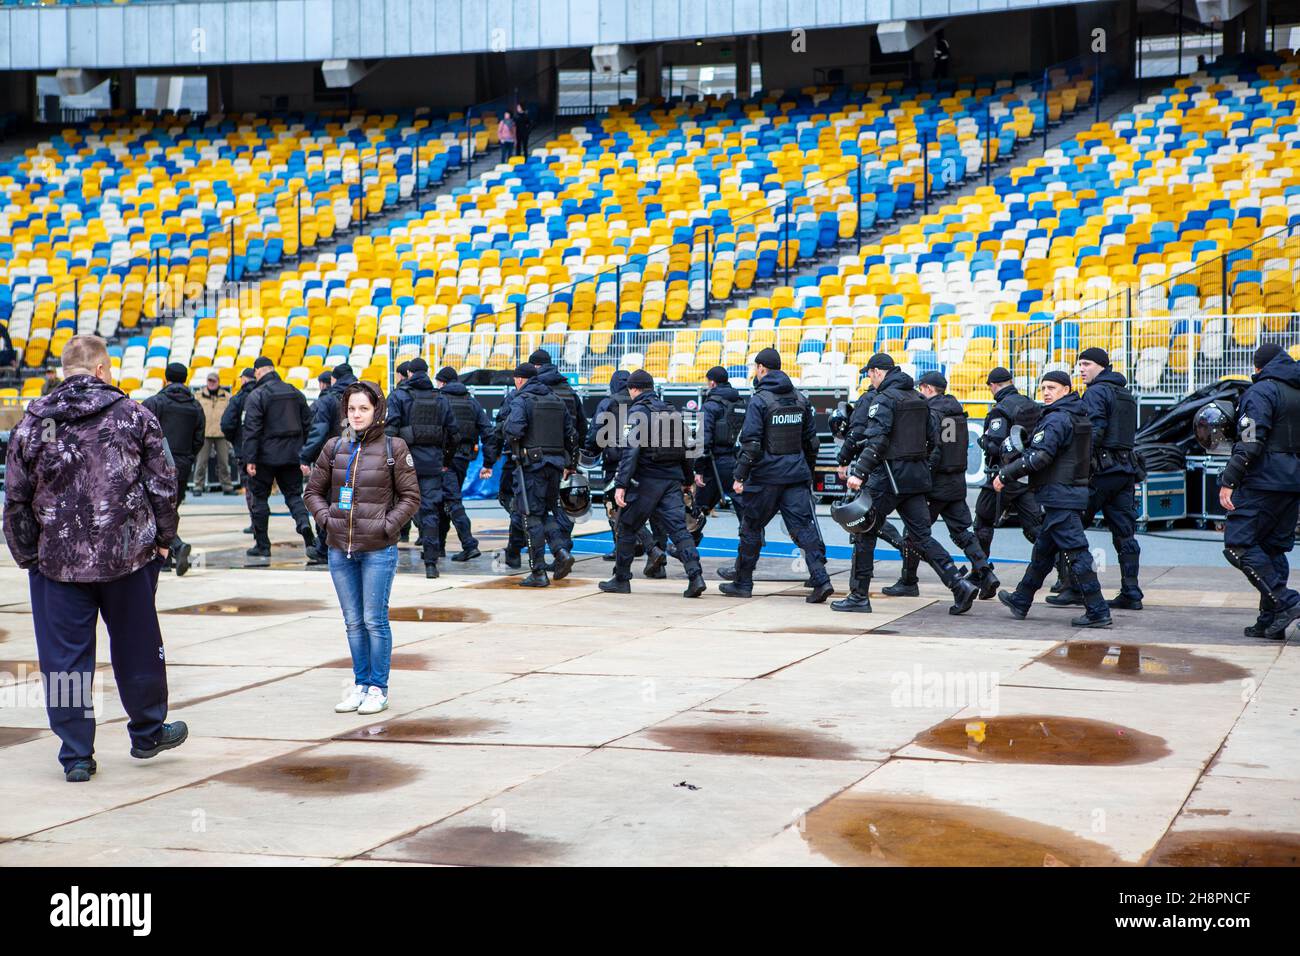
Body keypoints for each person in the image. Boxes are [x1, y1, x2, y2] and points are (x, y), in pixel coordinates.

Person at [2, 334, 188, 782]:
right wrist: (165, 539)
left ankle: (77, 754)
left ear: (66, 370)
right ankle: (147, 731)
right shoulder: (132, 415)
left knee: (65, 659)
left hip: (57, 563)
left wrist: (28, 554)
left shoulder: (35, 422)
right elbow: (163, 484)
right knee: (137, 646)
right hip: (127, 555)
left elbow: (15, 497)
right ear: (102, 369)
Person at [305, 380, 421, 716]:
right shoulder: (334, 448)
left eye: (364, 409)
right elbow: (312, 491)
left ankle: (378, 689)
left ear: (377, 411)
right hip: (340, 548)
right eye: (352, 409)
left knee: (374, 620)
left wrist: (386, 526)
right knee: (353, 622)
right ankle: (360, 684)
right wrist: (327, 520)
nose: (357, 415)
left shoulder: (394, 448)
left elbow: (411, 497)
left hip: (378, 550)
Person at [833, 354, 979, 614]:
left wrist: (860, 472)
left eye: (870, 373)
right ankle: (959, 584)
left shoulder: (884, 400)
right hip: (916, 478)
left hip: (887, 478)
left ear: (878, 372)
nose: (869, 378)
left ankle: (858, 596)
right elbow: (933, 440)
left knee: (863, 531)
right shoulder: (919, 399)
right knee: (922, 537)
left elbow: (877, 441)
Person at [995, 371, 1112, 628]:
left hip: (1062, 495)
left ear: (1067, 389)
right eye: (1044, 387)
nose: (1046, 392)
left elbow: (1040, 456)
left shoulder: (1057, 418)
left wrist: (1006, 474)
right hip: (1066, 492)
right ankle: (1021, 598)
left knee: (1077, 553)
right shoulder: (1077, 415)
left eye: (1052, 387)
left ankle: (1097, 610)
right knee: (1044, 551)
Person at [718, 348, 834, 603]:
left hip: (765, 478)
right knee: (804, 528)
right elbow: (811, 442)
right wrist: (806, 471)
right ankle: (822, 580)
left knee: (751, 527)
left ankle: (743, 582)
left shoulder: (759, 400)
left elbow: (751, 443)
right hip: (795, 475)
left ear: (761, 368)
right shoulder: (801, 398)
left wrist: (739, 477)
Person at [883, 370, 999, 599]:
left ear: (927, 389)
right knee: (961, 532)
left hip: (936, 485)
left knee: (914, 533)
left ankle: (909, 581)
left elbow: (934, 452)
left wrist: (923, 478)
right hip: (956, 483)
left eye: (920, 389)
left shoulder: (933, 413)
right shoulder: (957, 412)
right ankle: (985, 573)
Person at [1044, 347, 1145, 610]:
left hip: (1101, 472)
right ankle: (1131, 591)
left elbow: (1092, 433)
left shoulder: (1097, 392)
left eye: (1086, 364)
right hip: (1125, 471)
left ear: (1102, 366)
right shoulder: (1125, 393)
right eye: (1079, 365)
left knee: (1070, 529)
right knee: (1125, 534)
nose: (1081, 369)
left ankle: (1074, 588)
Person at [599, 370, 706, 596]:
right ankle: (695, 576)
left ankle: (621, 579)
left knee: (626, 527)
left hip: (645, 481)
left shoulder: (638, 412)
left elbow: (631, 451)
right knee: (678, 529)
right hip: (671, 480)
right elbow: (687, 450)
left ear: (634, 389)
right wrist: (687, 481)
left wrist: (621, 484)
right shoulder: (671, 411)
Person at [1219, 343, 1300, 639]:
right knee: (1272, 548)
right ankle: (1270, 620)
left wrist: (1229, 480)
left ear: (1258, 367)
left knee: (1238, 544)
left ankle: (1287, 602)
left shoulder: (1260, 391)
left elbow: (1250, 439)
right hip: (1292, 482)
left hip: (1262, 480)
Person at [502, 362, 578, 587]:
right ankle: (561, 552)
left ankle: (538, 571)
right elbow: (571, 435)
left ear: (519, 380)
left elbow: (514, 430)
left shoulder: (522, 400)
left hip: (531, 467)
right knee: (546, 513)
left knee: (531, 516)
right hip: (555, 466)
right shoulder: (556, 400)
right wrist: (570, 463)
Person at [585, 369, 667, 574]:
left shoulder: (608, 403)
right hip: (647, 464)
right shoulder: (648, 402)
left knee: (617, 510)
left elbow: (596, 435)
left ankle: (639, 552)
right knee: (652, 513)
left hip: (616, 464)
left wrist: (590, 451)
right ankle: (655, 560)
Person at [385, 357, 458, 577]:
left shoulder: (399, 396)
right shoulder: (440, 398)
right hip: (432, 463)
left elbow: (390, 431)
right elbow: (454, 434)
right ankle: (431, 563)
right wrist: (445, 461)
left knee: (394, 509)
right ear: (427, 372)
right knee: (430, 512)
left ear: (408, 374)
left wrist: (389, 461)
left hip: (404, 464)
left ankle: (387, 558)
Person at [240, 356, 317, 559]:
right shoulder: (294, 391)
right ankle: (304, 527)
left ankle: (263, 545)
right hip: (292, 456)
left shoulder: (257, 395)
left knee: (259, 498)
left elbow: (251, 429)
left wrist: (250, 459)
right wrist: (305, 455)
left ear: (257, 372)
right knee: (294, 496)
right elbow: (308, 424)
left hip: (265, 458)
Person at [974, 366, 1043, 567]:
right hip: (1027, 472)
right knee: (1034, 528)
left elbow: (996, 446)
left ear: (993, 386)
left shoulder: (1001, 409)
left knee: (982, 521)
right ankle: (1066, 573)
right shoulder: (1030, 404)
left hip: (1003, 476)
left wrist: (983, 441)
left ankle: (981, 573)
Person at [142, 362, 205, 576]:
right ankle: (167, 556)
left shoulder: (154, 402)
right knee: (171, 510)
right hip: (183, 464)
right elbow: (199, 438)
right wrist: (186, 457)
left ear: (165, 378)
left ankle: (175, 547)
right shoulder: (195, 406)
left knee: (155, 510)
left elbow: (141, 432)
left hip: (158, 463)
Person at [300, 362, 358, 564]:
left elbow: (319, 432)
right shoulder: (366, 396)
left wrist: (305, 456)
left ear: (334, 379)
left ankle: (324, 547)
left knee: (326, 502)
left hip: (335, 459)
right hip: (363, 459)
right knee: (353, 502)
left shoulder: (328, 400)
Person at [530, 348, 584, 554]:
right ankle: (564, 543)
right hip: (566, 454)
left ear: (535, 366)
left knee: (537, 504)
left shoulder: (535, 389)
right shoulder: (569, 390)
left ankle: (548, 547)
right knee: (565, 501)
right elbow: (581, 426)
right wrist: (573, 459)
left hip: (540, 454)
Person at [435, 365, 491, 561]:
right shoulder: (472, 402)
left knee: (450, 501)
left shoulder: (439, 400)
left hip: (443, 459)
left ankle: (469, 544)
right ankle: (439, 547)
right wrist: (490, 461)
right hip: (463, 458)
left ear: (442, 382)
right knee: (446, 500)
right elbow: (487, 431)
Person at [693, 365, 744, 533]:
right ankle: (752, 541)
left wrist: (698, 469)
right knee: (742, 504)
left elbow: (703, 439)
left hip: (713, 463)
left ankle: (686, 545)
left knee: (698, 508)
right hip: (736, 460)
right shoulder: (740, 402)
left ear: (713, 383)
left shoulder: (710, 405)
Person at [222, 366, 257, 532]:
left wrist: (235, 440)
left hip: (244, 449)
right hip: (266, 449)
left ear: (243, 379)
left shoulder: (238, 398)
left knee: (250, 488)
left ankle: (256, 524)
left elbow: (227, 424)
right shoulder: (264, 394)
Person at [194, 371, 235, 495]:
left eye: (214, 381)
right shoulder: (198, 396)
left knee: (224, 462)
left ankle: (227, 487)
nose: (211, 383)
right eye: (209, 381)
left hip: (221, 434)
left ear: (218, 382)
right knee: (201, 462)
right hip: (205, 433)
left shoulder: (227, 396)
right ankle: (198, 486)